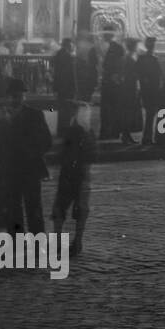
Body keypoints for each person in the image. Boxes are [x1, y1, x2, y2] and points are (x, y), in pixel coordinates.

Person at [4, 78, 51, 233]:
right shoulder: (3, 117)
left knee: (33, 207)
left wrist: (31, 153)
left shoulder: (35, 115)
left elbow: (46, 141)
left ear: (24, 96)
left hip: (29, 167)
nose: (16, 98)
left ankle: (37, 242)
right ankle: (16, 240)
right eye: (13, 95)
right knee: (13, 208)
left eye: (18, 95)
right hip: (12, 169)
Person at [52, 102, 97, 256]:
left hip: (69, 173)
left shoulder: (72, 130)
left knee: (60, 207)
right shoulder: (89, 131)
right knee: (81, 209)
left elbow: (64, 152)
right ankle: (77, 242)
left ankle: (58, 242)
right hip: (83, 174)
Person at [137, 37, 162, 145]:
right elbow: (159, 75)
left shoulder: (141, 59)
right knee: (152, 114)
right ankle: (148, 138)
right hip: (153, 91)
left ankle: (147, 137)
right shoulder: (154, 60)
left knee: (149, 114)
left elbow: (137, 73)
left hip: (146, 90)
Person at [52, 38, 77, 132]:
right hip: (67, 86)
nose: (72, 46)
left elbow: (56, 72)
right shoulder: (67, 56)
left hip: (60, 85)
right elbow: (70, 74)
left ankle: (60, 129)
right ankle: (65, 129)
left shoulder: (59, 54)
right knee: (67, 109)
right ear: (68, 45)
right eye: (71, 45)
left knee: (61, 108)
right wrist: (74, 87)